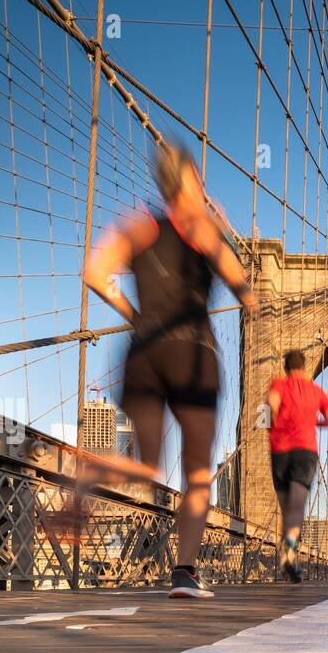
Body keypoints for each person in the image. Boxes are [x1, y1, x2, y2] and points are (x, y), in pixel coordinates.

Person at [84, 141, 257, 598]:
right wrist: (219, 228)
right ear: (195, 182)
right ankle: (184, 573)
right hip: (193, 356)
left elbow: (93, 272)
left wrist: (133, 313)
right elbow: (248, 293)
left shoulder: (138, 226)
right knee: (197, 473)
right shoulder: (204, 232)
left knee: (143, 466)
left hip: (142, 352)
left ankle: (84, 476)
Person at [268, 349, 328, 582]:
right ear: (305, 367)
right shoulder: (315, 391)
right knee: (297, 507)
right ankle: (289, 548)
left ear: (285, 367)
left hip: (280, 450)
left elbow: (271, 406)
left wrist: (274, 426)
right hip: (305, 450)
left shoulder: (278, 384)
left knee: (285, 508)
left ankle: (287, 554)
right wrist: (314, 422)